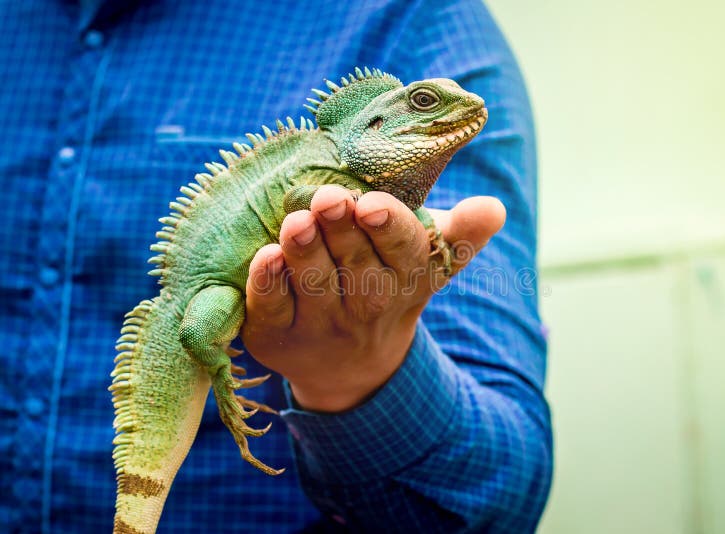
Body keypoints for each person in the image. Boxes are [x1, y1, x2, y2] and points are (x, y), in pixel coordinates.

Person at [0, 0, 552, 532]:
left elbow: (502, 497)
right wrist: (221, 374)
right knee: (200, 335)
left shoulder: (416, 17)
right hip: (197, 311)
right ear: (377, 125)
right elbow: (205, 315)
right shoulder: (321, 174)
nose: (455, 108)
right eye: (426, 104)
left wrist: (357, 378)